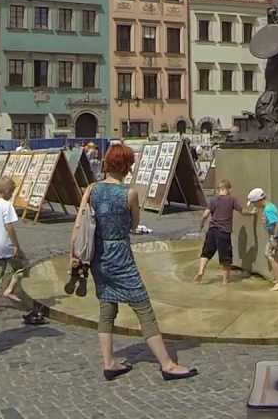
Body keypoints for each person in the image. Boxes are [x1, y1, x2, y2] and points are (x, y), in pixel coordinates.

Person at [77, 144, 196, 382]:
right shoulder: (129, 193)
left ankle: (109, 362)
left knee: (107, 306)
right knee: (143, 307)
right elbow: (133, 225)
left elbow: (80, 223)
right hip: (120, 253)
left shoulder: (92, 189)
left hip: (98, 255)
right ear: (126, 166)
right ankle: (167, 365)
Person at [0, 175, 31, 314]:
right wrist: (16, 245)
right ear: (7, 191)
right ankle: (9, 290)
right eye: (12, 192)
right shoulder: (6, 205)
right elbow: (9, 227)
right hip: (6, 245)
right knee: (22, 267)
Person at [194, 179, 240, 284]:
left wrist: (201, 225)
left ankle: (201, 271)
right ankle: (225, 282)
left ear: (219, 189)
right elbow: (242, 211)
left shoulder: (213, 200)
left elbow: (205, 215)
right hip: (224, 232)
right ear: (228, 189)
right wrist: (251, 212)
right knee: (225, 258)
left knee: (206, 253)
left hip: (212, 231)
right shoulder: (232, 200)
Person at [246, 187, 278, 291]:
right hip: (275, 236)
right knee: (270, 254)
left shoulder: (268, 209)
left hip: (277, 237)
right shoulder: (268, 207)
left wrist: (274, 238)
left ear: (258, 201)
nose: (254, 205)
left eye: (254, 203)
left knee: (271, 256)